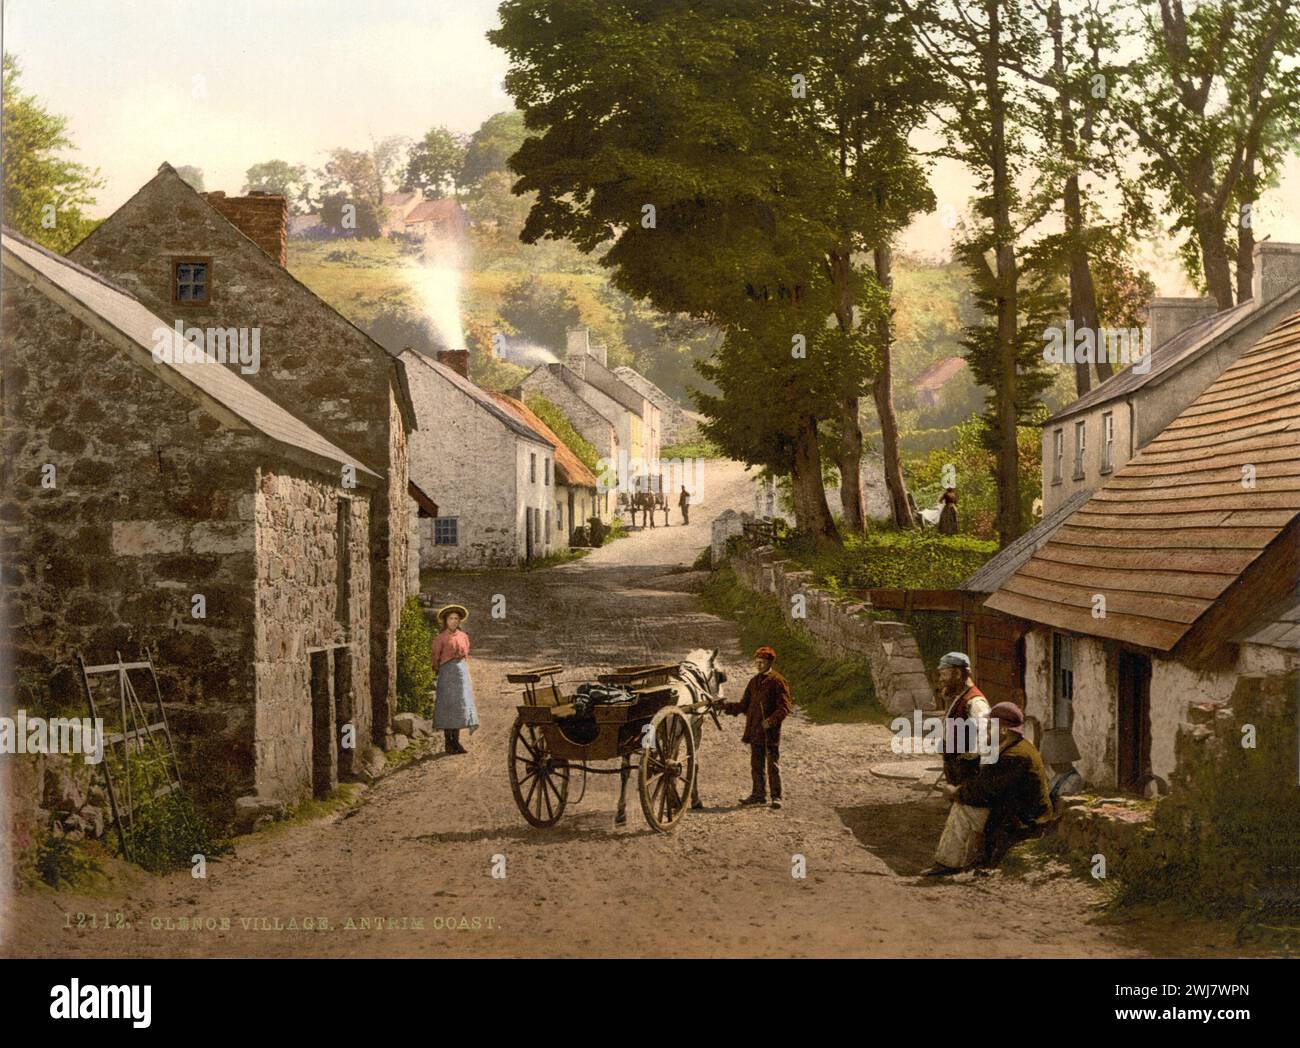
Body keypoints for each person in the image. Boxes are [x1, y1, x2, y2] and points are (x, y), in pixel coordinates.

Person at [925, 702, 1054, 875]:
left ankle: (948, 863)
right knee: (967, 805)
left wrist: (956, 792)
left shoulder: (1014, 756)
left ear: (1003, 730)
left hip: (1027, 820)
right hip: (1021, 811)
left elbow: (985, 791)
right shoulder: (1020, 747)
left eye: (990, 727)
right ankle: (962, 861)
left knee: (962, 808)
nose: (986, 731)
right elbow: (988, 783)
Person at [723, 646, 793, 810]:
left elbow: (785, 707)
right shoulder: (754, 681)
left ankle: (776, 796)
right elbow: (743, 705)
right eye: (757, 662)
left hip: (769, 732)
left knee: (772, 765)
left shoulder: (778, 681)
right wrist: (725, 707)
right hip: (755, 731)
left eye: (762, 662)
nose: (759, 665)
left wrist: (771, 721)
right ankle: (758, 795)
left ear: (770, 662)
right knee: (756, 765)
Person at [936, 652, 989, 787]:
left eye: (944, 675)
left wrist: (966, 758)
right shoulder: (958, 697)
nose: (940, 679)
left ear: (958, 674)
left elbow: (986, 736)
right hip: (955, 767)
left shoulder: (975, 702)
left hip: (967, 771)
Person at [432, 604, 479, 754]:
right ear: (445, 621)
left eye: (456, 619)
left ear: (459, 621)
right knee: (448, 706)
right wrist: (439, 669)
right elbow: (435, 659)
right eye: (450, 618)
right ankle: (448, 743)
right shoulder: (440, 638)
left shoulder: (463, 636)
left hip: (461, 674)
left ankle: (457, 742)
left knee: (459, 706)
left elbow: (466, 653)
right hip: (447, 674)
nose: (453, 621)